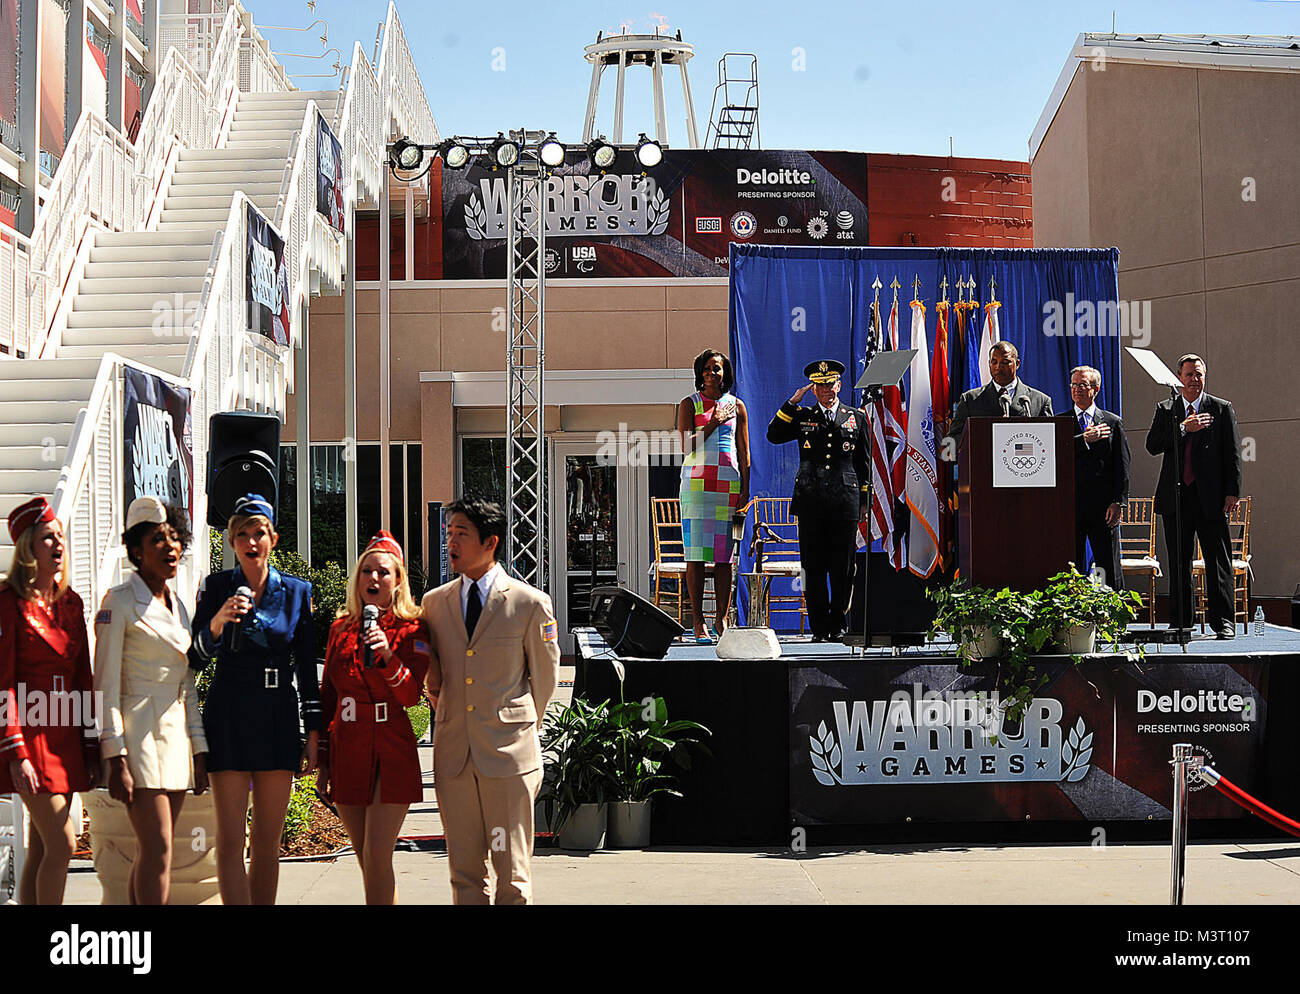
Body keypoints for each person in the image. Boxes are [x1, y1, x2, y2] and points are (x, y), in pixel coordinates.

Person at [421, 498, 559, 905]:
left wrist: (521, 726)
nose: (451, 543)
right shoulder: (434, 603)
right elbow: (434, 674)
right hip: (454, 756)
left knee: (511, 874)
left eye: (461, 534)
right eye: (449, 534)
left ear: (490, 542)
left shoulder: (529, 603)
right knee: (464, 872)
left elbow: (546, 680)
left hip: (508, 757)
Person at [189, 493, 320, 904]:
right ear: (231, 542)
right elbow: (192, 659)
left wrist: (312, 731)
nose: (250, 541)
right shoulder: (215, 588)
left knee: (267, 842)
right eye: (242, 534)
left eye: (258, 533)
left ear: (273, 539)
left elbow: (305, 668)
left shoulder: (297, 592)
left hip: (277, 715)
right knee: (230, 840)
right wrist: (216, 623)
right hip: (228, 714)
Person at [94, 496, 209, 905]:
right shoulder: (119, 602)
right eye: (158, 539)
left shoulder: (179, 606)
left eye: (175, 538)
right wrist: (115, 756)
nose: (170, 548)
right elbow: (104, 686)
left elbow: (187, 683)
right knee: (159, 848)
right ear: (137, 550)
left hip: (175, 741)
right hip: (137, 740)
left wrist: (199, 748)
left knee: (153, 853)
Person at [317, 531, 430, 905]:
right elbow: (329, 694)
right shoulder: (340, 629)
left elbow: (412, 696)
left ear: (397, 581)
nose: (373, 579)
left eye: (383, 572)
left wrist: (386, 657)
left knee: (378, 854)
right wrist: (322, 760)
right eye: (367, 571)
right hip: (348, 746)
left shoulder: (412, 627)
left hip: (391, 745)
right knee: (366, 857)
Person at [0, 497, 99, 905]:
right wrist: (15, 750)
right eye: (47, 538)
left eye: (60, 536)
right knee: (61, 844)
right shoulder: (8, 602)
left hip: (66, 737)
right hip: (32, 738)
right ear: (27, 548)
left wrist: (92, 744)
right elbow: (2, 683)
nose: (58, 544)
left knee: (42, 848)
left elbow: (84, 677)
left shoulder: (70, 602)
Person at [766, 359, 870, 642]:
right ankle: (819, 628)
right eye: (820, 385)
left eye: (831, 384)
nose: (827, 390)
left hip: (844, 501)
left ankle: (838, 624)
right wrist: (791, 402)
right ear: (814, 389)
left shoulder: (856, 417)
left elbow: (864, 463)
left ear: (839, 385)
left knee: (843, 566)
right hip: (811, 501)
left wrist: (864, 501)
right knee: (813, 567)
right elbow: (773, 435)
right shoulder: (802, 415)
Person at [1145, 354, 1242, 638]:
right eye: (1189, 375)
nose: (1195, 380)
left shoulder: (1221, 408)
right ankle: (1181, 622)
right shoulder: (1167, 408)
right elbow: (1152, 445)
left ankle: (1223, 621)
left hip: (1210, 497)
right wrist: (1182, 428)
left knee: (1218, 560)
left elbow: (1233, 453)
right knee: (1179, 561)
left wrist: (1232, 491)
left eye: (1199, 374)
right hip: (1176, 497)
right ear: (1179, 378)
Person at [675, 349, 751, 642]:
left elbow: (744, 451)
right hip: (696, 487)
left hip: (727, 486)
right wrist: (714, 422)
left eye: (717, 368)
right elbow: (686, 446)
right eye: (706, 368)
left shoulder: (737, 406)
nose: (712, 373)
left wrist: (745, 488)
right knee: (695, 556)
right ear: (699, 373)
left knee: (724, 557)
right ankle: (697, 621)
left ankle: (721, 619)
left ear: (725, 373)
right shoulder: (688, 404)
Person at [1069, 366, 1130, 590]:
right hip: (1070, 506)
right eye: (1074, 385)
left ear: (1095, 389)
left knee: (1107, 564)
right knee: (1069, 564)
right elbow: (1055, 454)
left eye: (1082, 385)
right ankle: (1068, 615)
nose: (1077, 390)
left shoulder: (1112, 422)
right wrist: (1083, 439)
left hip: (1103, 507)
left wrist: (1118, 502)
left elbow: (1122, 466)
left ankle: (1112, 615)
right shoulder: (1062, 421)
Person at [945, 340, 1054, 447]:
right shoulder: (970, 399)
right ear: (989, 364)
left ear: (1017, 364)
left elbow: (1050, 440)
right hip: (984, 462)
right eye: (994, 362)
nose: (998, 367)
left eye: (1005, 362)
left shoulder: (1040, 401)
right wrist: (982, 437)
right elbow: (953, 441)